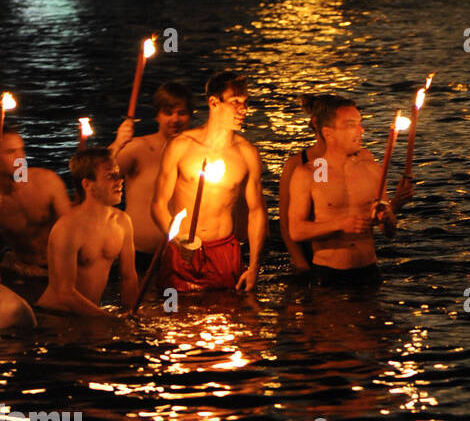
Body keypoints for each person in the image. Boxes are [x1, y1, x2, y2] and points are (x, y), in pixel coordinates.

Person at [151, 72, 266, 294]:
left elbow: (257, 212)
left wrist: (254, 267)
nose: (243, 110)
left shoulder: (247, 153)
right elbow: (158, 204)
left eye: (245, 103)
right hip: (181, 252)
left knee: (228, 318)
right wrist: (177, 241)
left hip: (224, 252)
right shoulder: (181, 146)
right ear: (214, 102)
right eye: (235, 103)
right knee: (177, 319)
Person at [286, 95, 412, 286]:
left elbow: (388, 231)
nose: (361, 130)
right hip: (329, 274)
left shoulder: (373, 169)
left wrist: (389, 215)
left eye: (360, 123)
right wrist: (340, 224)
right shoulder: (311, 172)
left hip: (368, 272)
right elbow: (296, 230)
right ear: (328, 133)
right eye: (351, 124)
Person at [38, 148, 137, 318]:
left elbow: (128, 276)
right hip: (55, 317)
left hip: (91, 314)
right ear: (87, 184)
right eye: (109, 176)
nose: (120, 180)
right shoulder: (68, 228)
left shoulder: (122, 221)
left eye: (118, 173)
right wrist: (108, 320)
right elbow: (65, 293)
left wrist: (131, 313)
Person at [109, 83, 194, 274]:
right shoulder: (139, 148)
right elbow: (95, 175)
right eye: (168, 112)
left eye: (181, 113)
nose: (175, 119)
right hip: (138, 255)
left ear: (190, 115)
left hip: (182, 256)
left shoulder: (197, 152)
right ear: (157, 115)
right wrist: (117, 144)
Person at [0, 126, 72, 279]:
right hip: (22, 268)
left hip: (58, 267)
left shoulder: (47, 182)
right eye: (11, 152)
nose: (20, 157)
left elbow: (71, 232)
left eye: (21, 150)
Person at [279, 93, 327, 273]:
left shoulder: (353, 160)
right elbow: (285, 222)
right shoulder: (296, 165)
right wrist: (299, 261)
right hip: (308, 250)